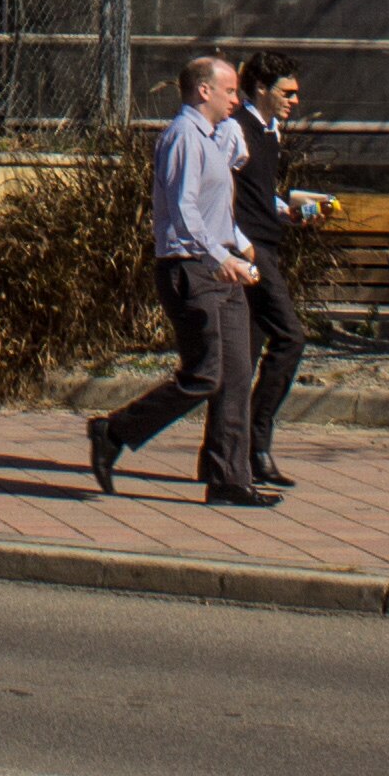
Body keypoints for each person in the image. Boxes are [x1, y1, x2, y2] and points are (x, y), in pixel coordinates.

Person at [86, 55, 273, 507]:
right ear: (203, 91)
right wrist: (217, 256)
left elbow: (219, 205)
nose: (237, 99)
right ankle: (114, 430)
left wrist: (239, 247)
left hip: (220, 267)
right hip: (190, 269)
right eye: (230, 91)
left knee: (236, 375)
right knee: (205, 375)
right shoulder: (183, 138)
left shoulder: (214, 137)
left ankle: (230, 479)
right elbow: (184, 210)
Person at [232, 58, 314, 486]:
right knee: (290, 336)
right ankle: (255, 447)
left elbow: (257, 191)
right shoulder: (237, 130)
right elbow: (215, 191)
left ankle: (226, 457)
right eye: (287, 93)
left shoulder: (268, 132)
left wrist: (287, 210)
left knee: (241, 359)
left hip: (264, 242)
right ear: (261, 88)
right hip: (248, 250)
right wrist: (235, 243)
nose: (294, 101)